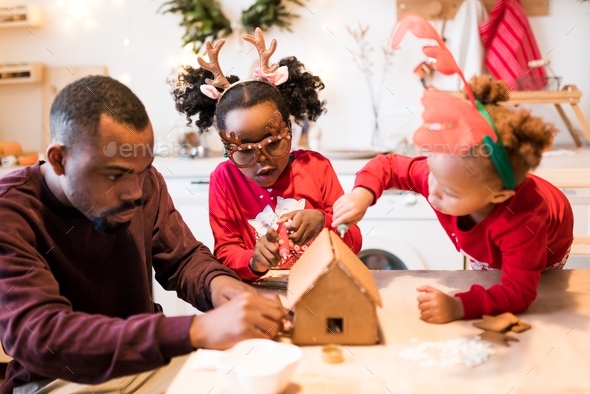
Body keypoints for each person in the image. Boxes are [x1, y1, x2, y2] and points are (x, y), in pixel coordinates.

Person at [0, 75, 286, 394]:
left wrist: (222, 287)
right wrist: (194, 330)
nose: (135, 192)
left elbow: (183, 259)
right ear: (59, 159)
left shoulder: (145, 182)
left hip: (147, 362)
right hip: (58, 378)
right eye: (114, 175)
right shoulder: (10, 214)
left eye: (143, 170)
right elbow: (41, 336)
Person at [332, 75, 574, 324]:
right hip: (495, 222)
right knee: (489, 276)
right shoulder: (443, 175)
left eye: (449, 193)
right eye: (432, 175)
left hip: (548, 246)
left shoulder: (524, 222)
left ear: (499, 196)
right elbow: (389, 165)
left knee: (540, 299)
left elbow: (519, 292)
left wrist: (460, 306)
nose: (432, 191)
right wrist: (362, 193)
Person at [167, 28, 362, 280]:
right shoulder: (224, 179)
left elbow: (354, 241)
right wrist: (254, 260)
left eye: (273, 143)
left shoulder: (317, 167)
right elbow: (226, 251)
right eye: (245, 151)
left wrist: (324, 221)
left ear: (289, 132)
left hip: (321, 293)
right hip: (260, 299)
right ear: (227, 149)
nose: (263, 160)